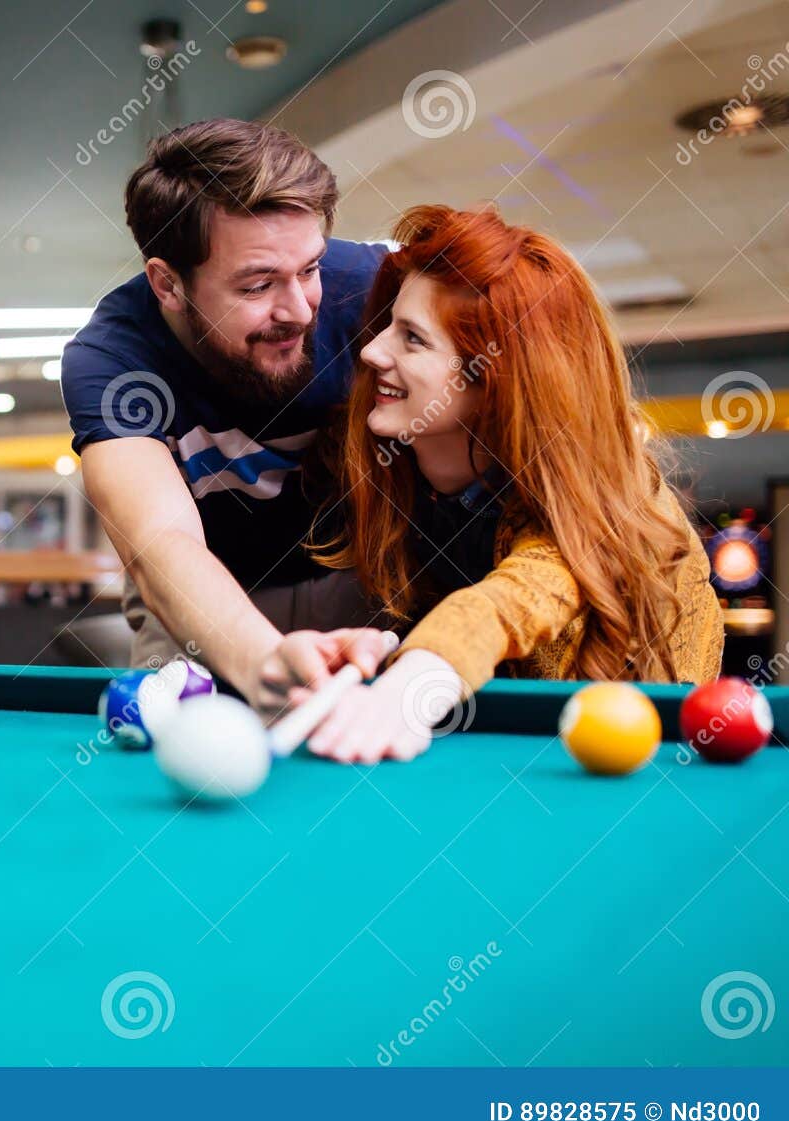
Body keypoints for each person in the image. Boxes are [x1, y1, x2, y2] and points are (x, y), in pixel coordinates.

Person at [259, 204, 723, 762]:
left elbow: (519, 598)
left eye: (412, 339)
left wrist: (418, 677)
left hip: (640, 777)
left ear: (494, 383)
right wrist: (379, 653)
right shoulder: (399, 464)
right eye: (388, 326)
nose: (372, 350)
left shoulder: (603, 500)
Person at [62, 117, 393, 702]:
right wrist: (265, 660)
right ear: (167, 285)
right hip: (203, 589)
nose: (298, 309)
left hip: (361, 573)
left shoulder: (373, 289)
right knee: (166, 751)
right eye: (257, 285)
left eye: (310, 269)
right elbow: (159, 542)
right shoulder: (111, 360)